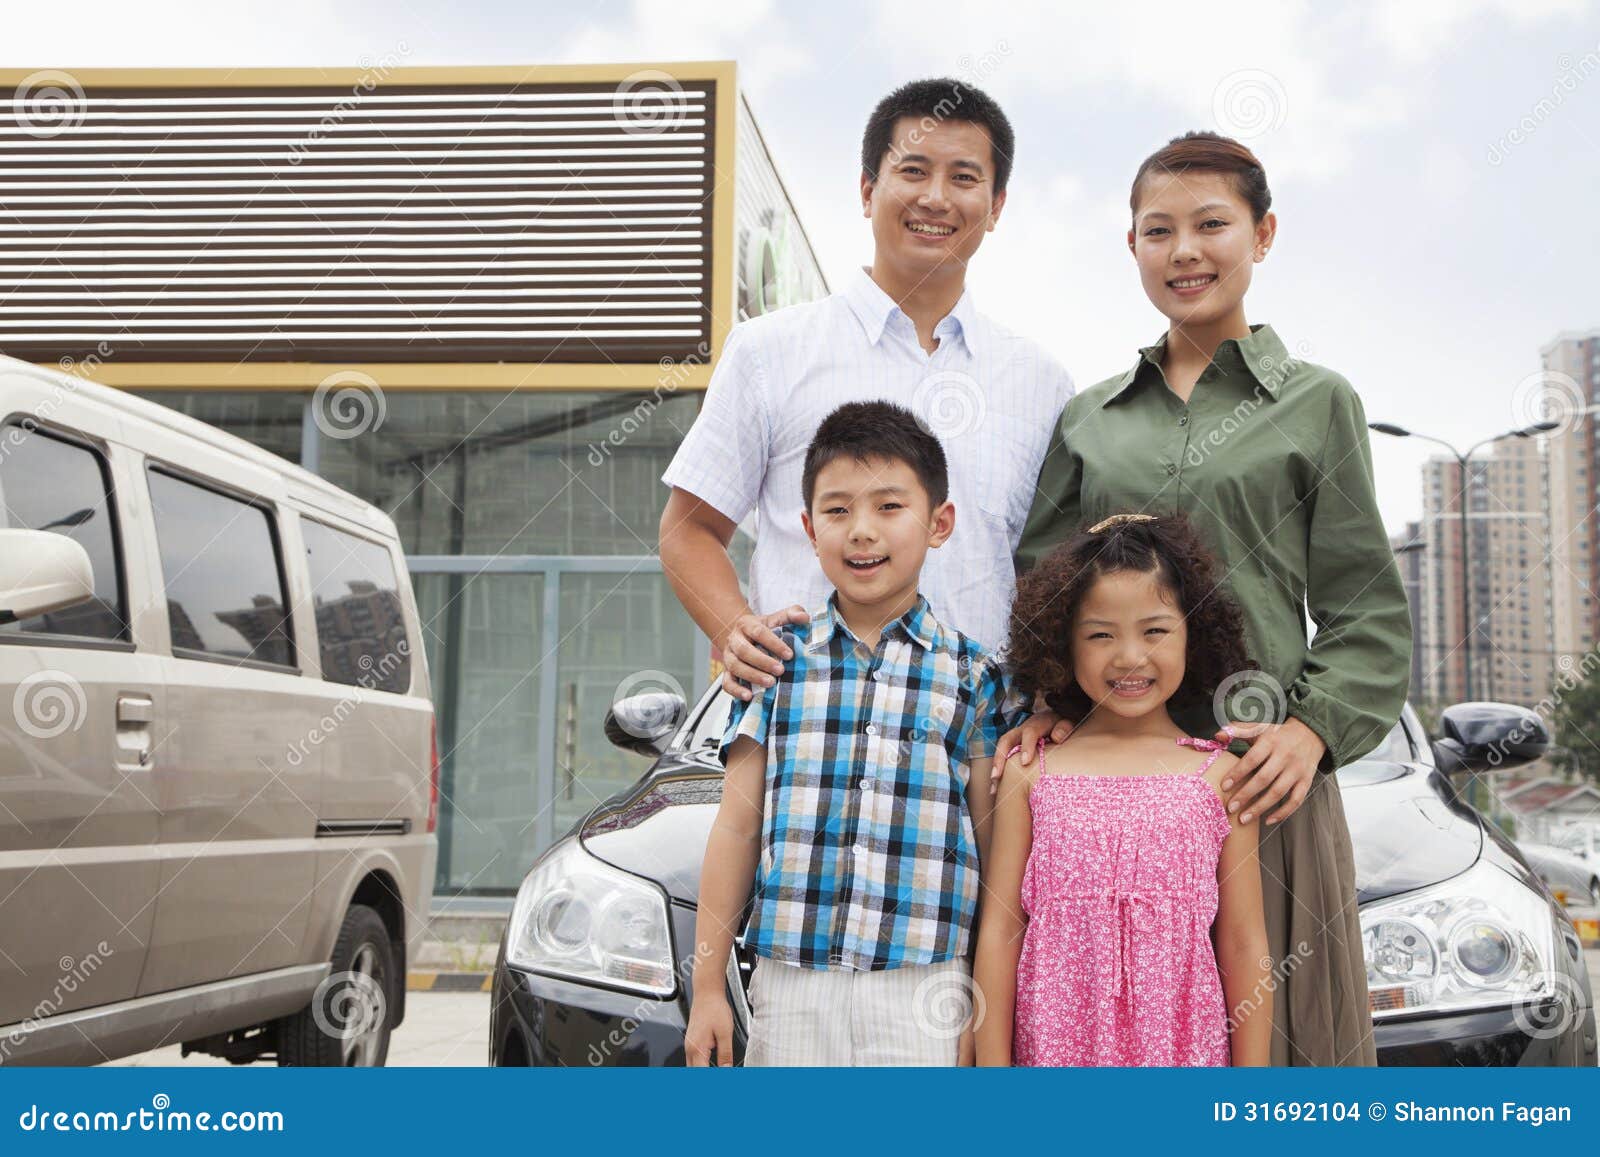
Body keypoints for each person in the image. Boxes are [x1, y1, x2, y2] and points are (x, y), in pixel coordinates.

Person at [999, 132, 1411, 1065]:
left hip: (1258, 782)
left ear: (1262, 235)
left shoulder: (1318, 403)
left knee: (1279, 1050)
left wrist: (1310, 731)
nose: (1184, 250)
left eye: (1211, 224)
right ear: (1133, 246)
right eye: (1158, 230)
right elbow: (1040, 587)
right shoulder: (1090, 418)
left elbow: (1366, 612)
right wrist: (1044, 707)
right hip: (1102, 790)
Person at [659, 77, 1073, 698]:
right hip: (802, 734)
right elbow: (687, 529)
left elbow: (1051, 573)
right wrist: (734, 628)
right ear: (867, 189)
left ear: (996, 206)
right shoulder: (769, 352)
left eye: (963, 177)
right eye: (913, 170)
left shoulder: (1042, 383)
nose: (935, 198)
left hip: (977, 749)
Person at [684, 402, 1018, 1066]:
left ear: (939, 522)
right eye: (837, 511)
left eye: (889, 506)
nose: (861, 531)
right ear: (809, 529)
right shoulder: (774, 661)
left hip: (924, 989)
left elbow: (995, 850)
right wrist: (706, 988)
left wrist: (986, 1003)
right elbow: (736, 828)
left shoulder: (975, 677)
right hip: (791, 984)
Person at [975, 512, 1271, 1067]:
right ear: (1064, 643)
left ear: (1194, 634)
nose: (1130, 656)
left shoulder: (1221, 776)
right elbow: (1000, 931)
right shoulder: (1032, 770)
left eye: (1155, 631)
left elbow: (1243, 943)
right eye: (1101, 634)